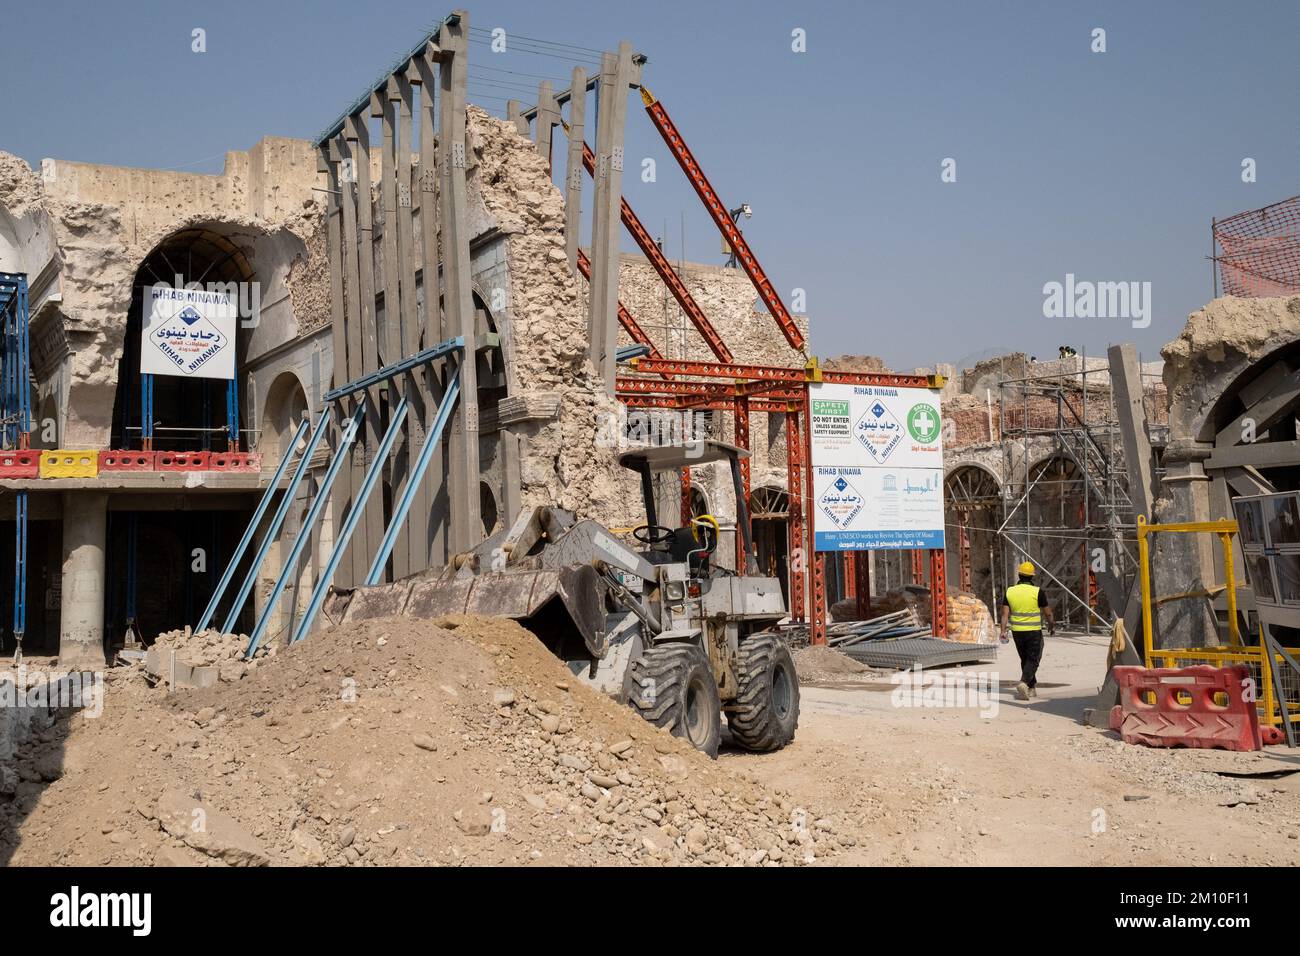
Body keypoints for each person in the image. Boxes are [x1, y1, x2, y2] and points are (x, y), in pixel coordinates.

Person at [1000, 561, 1055, 701]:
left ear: (1019, 574)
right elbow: (1048, 613)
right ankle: (1024, 683)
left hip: (1017, 631)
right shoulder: (1037, 591)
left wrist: (1002, 631)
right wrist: (1051, 625)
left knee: (1025, 659)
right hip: (1033, 631)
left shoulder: (1010, 591)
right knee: (1034, 658)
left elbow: (1005, 614)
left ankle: (1031, 687)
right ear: (1032, 577)